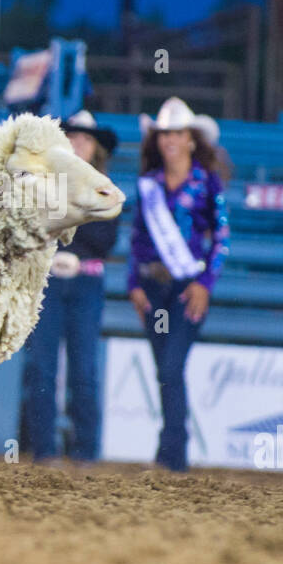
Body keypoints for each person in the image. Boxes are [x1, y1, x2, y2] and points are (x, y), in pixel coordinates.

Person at [127, 97, 230, 472]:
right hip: (152, 287)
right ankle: (172, 452)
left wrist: (206, 283)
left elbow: (222, 236)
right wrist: (133, 284)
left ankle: (172, 452)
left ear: (190, 139)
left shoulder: (206, 182)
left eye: (176, 133)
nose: (169, 140)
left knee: (170, 367)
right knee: (164, 369)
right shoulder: (149, 185)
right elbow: (138, 236)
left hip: (187, 289)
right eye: (163, 134)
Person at [20, 111, 120, 462]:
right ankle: (44, 450)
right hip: (49, 283)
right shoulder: (45, 184)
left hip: (84, 283)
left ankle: (85, 452)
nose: (79, 144)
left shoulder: (104, 189)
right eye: (73, 138)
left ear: (96, 149)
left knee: (84, 369)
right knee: (43, 367)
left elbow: (105, 239)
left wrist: (65, 246)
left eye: (86, 139)